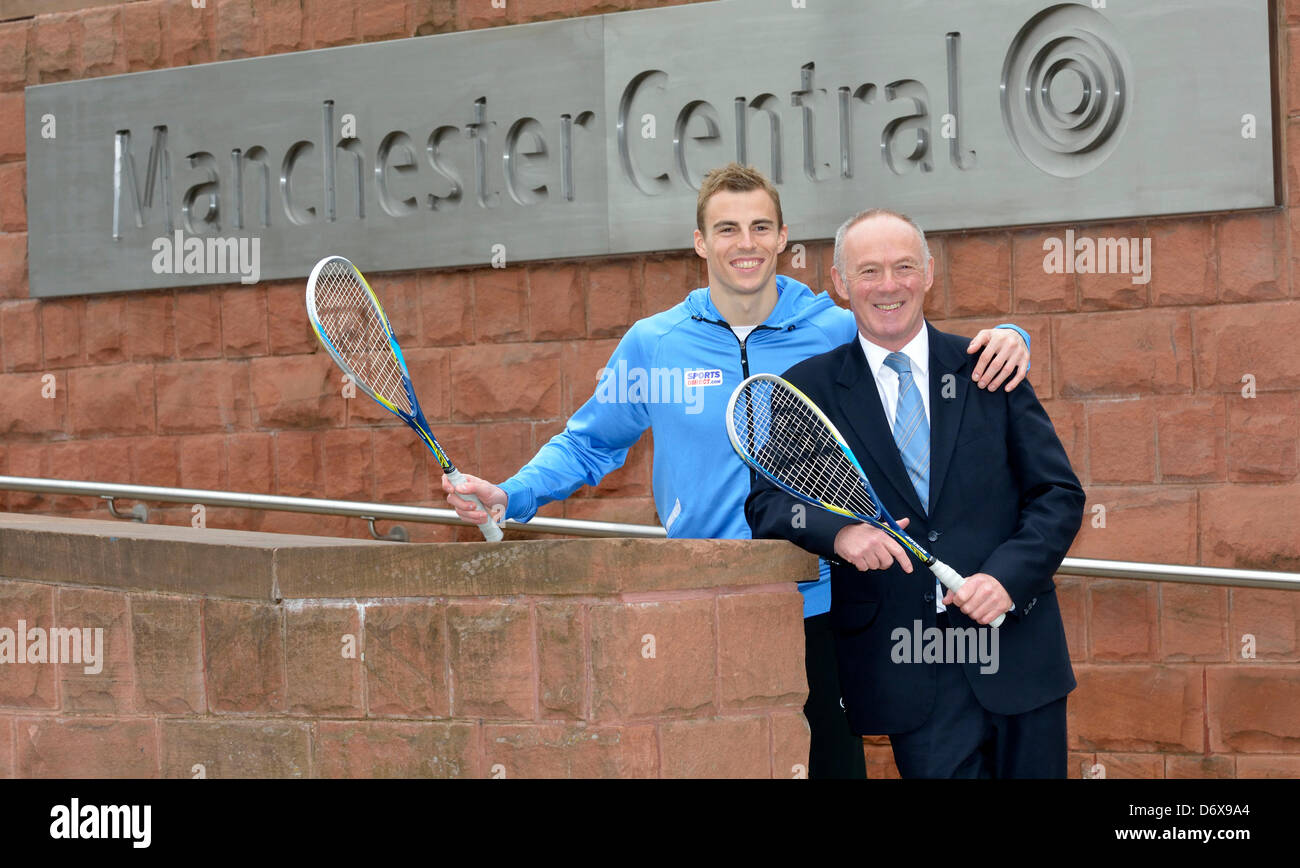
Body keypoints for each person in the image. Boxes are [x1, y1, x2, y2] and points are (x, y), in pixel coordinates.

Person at [442, 164, 1033, 778]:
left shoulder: (834, 327)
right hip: (700, 599)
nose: (744, 243)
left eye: (760, 227)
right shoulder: (656, 343)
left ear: (783, 237)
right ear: (700, 241)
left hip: (825, 601)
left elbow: (916, 339)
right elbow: (588, 444)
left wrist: (1011, 336)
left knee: (831, 768)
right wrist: (512, 492)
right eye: (727, 229)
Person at [745, 208, 1084, 778]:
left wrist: (1006, 579)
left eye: (903, 267)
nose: (888, 285)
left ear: (928, 272)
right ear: (840, 283)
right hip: (906, 666)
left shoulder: (988, 368)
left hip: (1017, 649)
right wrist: (842, 534)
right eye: (869, 270)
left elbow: (1057, 494)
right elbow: (769, 503)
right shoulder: (808, 387)